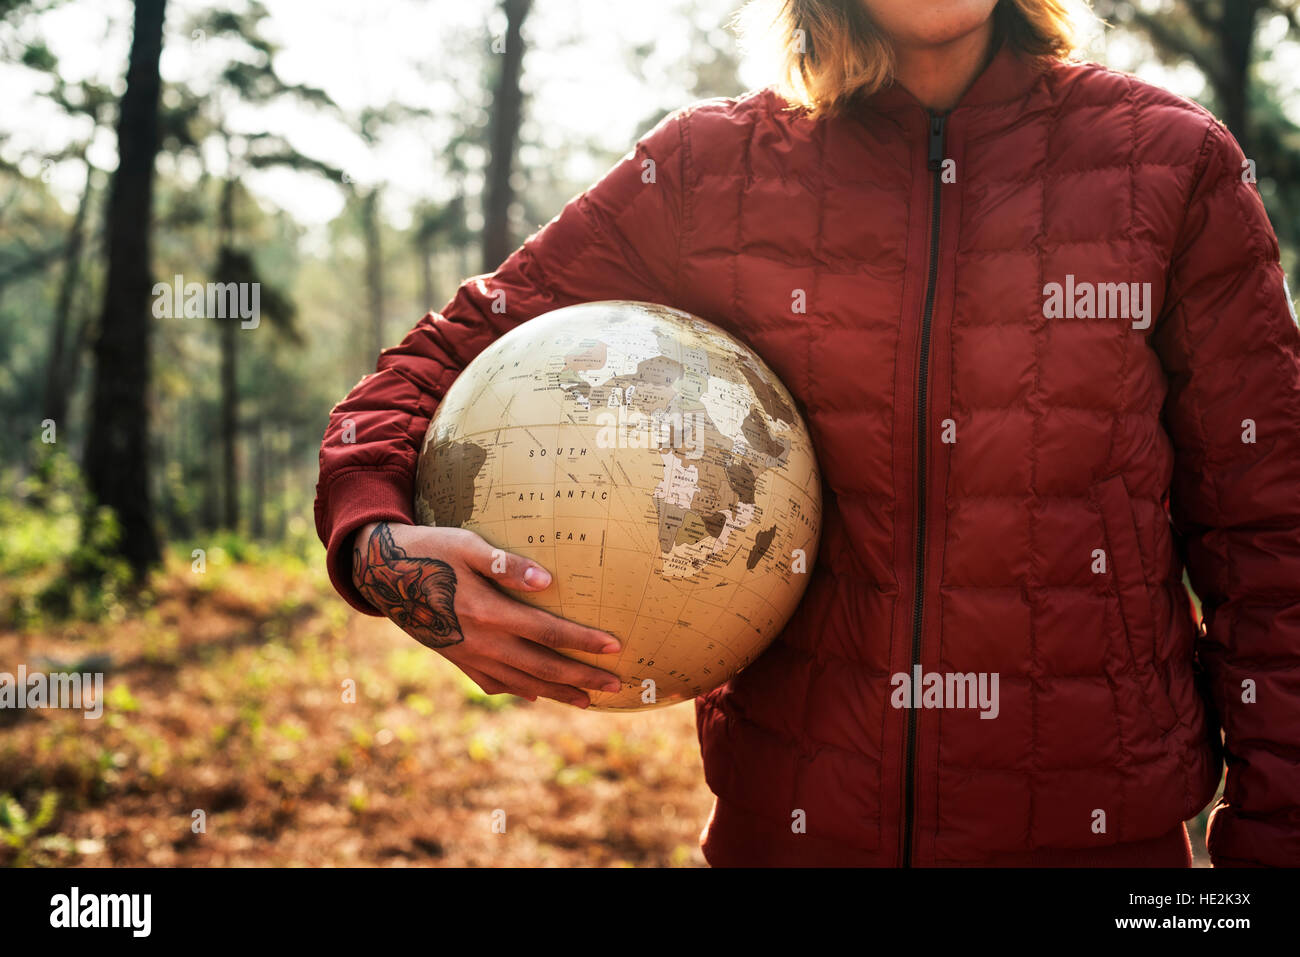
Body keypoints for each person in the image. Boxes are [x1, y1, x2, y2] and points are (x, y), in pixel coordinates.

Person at [314, 0, 1300, 866]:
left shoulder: (1166, 165)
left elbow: (1272, 534)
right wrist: (378, 548)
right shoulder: (705, 171)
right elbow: (431, 363)